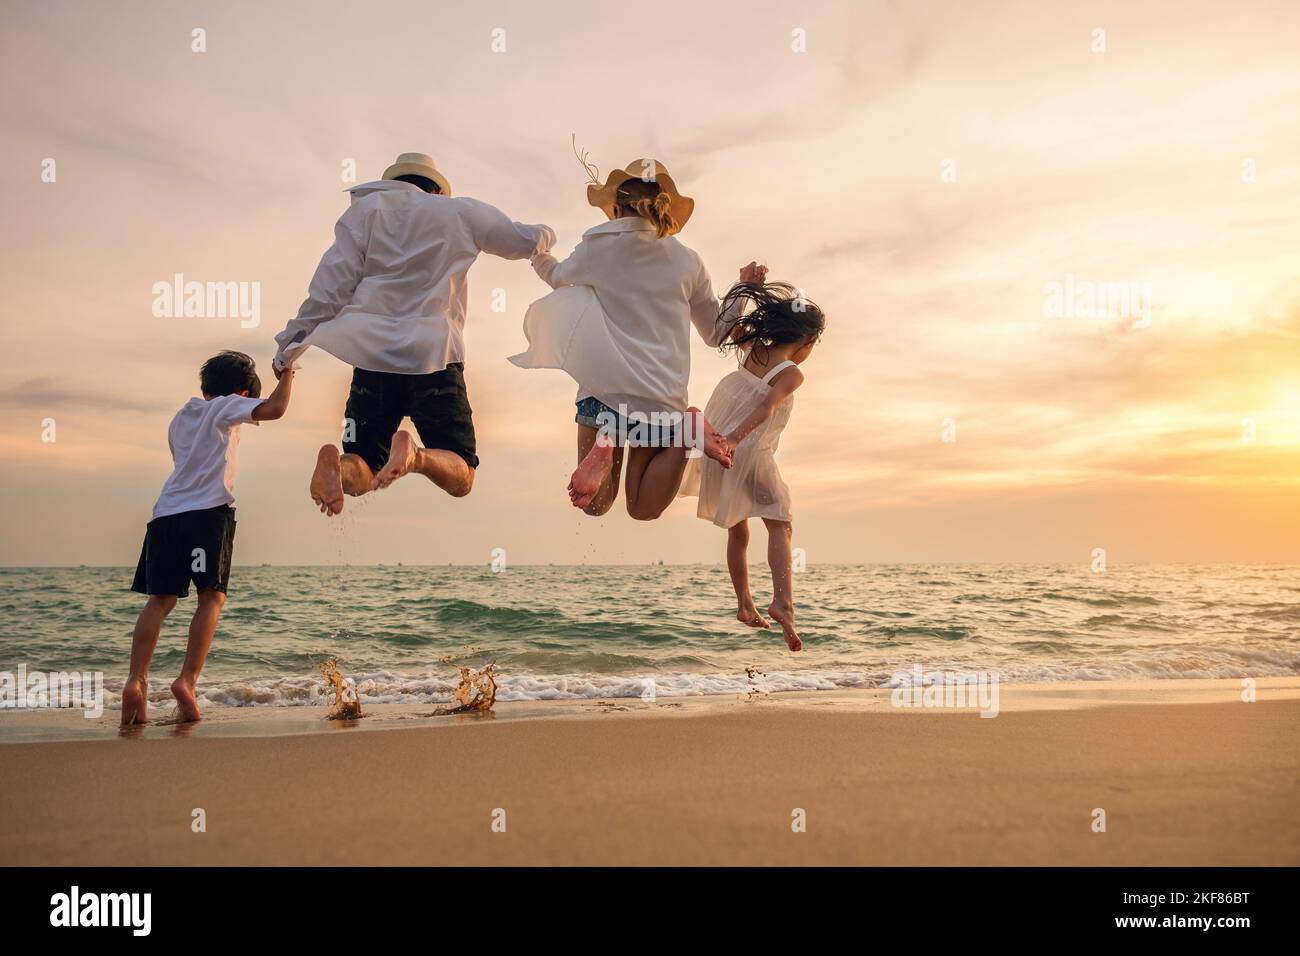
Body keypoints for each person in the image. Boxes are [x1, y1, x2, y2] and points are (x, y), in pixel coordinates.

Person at [271, 152, 554, 515]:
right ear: (436, 189)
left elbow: (328, 291)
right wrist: (547, 236)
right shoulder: (460, 212)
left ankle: (336, 465)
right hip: (434, 356)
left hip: (372, 358)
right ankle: (416, 456)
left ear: (394, 182)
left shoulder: (365, 212)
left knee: (361, 466)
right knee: (462, 475)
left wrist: (288, 350)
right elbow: (524, 241)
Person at [511, 155, 750, 519]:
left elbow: (558, 277)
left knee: (595, 505)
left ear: (617, 208)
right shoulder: (688, 260)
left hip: (602, 392)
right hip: (660, 400)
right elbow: (717, 333)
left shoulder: (597, 247)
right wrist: (744, 289)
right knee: (642, 509)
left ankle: (607, 439)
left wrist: (537, 253)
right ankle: (687, 431)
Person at [121, 351, 294, 725]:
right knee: (211, 598)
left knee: (159, 601)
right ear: (241, 391)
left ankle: (136, 681)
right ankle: (187, 680)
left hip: (166, 514)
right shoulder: (229, 406)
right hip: (208, 514)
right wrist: (289, 373)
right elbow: (277, 408)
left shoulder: (180, 417)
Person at [678, 282, 826, 651]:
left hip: (717, 449)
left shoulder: (754, 350)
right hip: (744, 449)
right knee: (781, 521)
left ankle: (745, 604)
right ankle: (783, 604)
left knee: (738, 531)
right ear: (806, 340)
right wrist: (734, 440)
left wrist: (746, 288)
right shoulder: (791, 372)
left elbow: (727, 325)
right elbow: (766, 409)